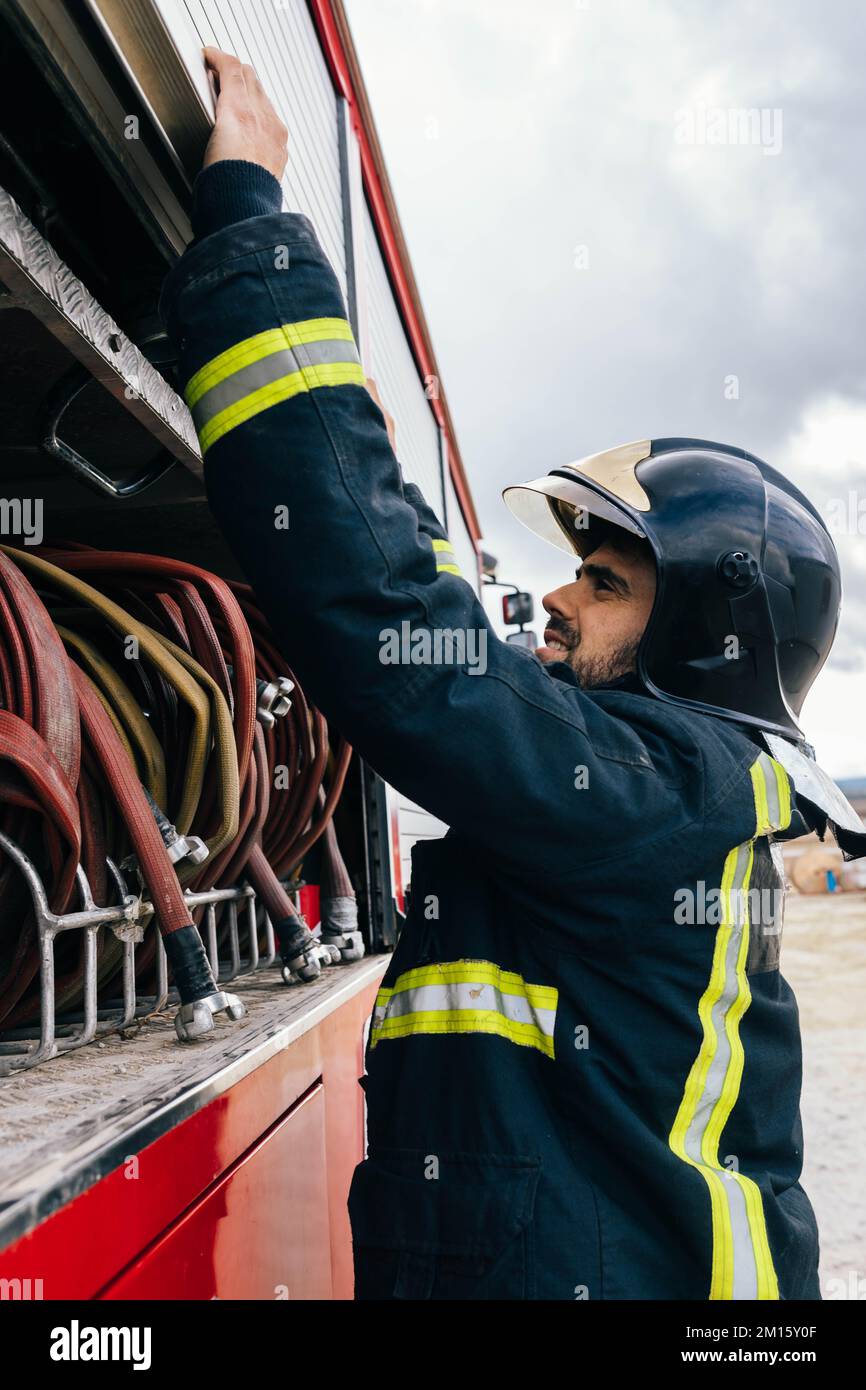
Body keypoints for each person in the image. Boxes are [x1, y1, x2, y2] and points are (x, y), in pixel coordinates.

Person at [160, 48, 864, 1300]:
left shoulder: (659, 790)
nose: (556, 593)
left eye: (604, 582)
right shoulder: (662, 789)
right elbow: (432, 618)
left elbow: (395, 633)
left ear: (705, 624)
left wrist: (254, 230)